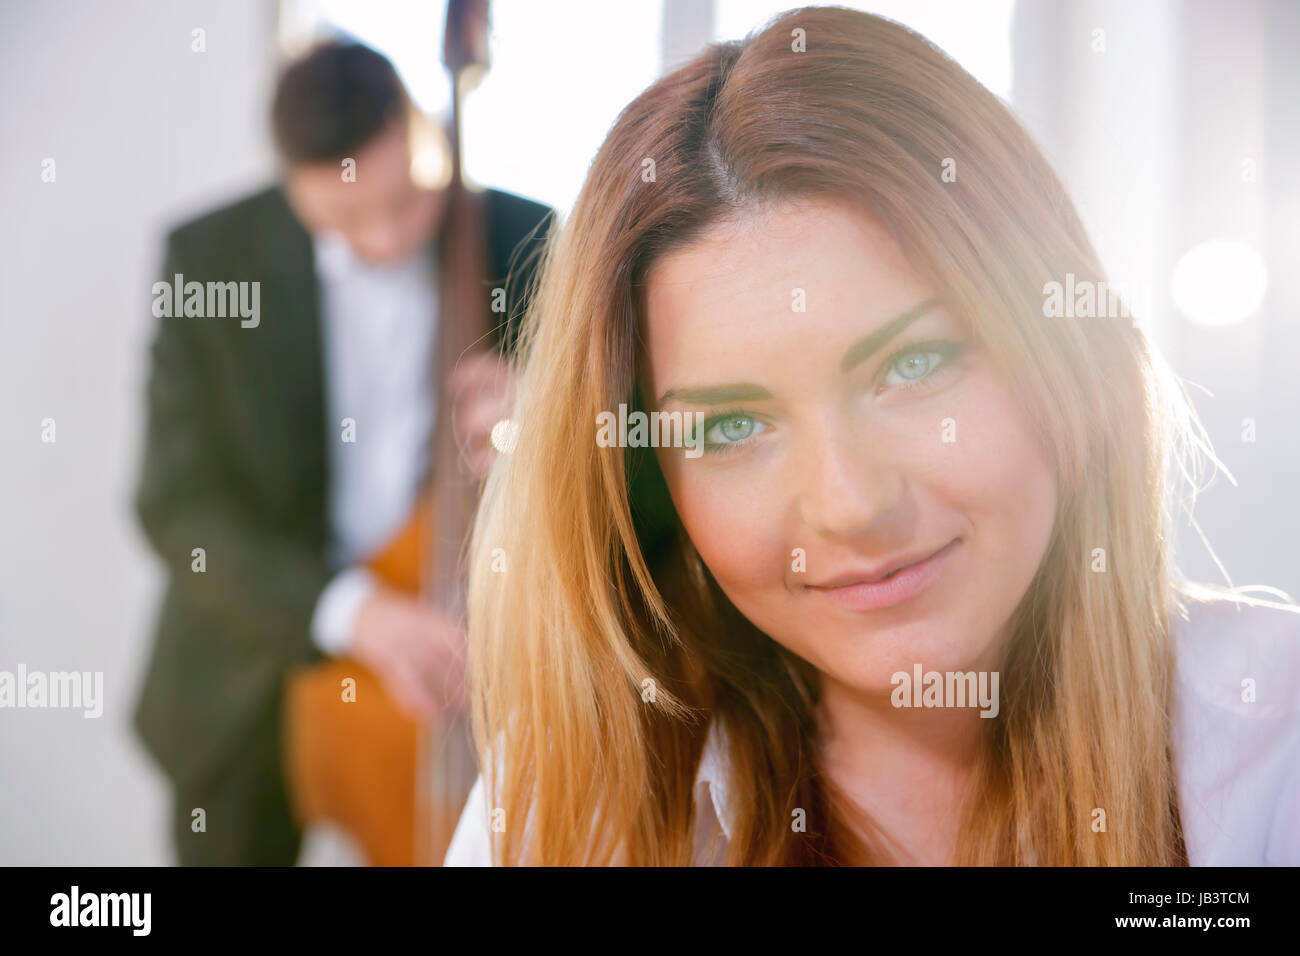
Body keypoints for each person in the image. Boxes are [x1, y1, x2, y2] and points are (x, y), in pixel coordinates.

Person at [443, 6, 1300, 865]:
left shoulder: (1275, 746)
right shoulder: (558, 806)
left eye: (917, 366)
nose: (850, 505)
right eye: (733, 427)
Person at [133, 39, 553, 865]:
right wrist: (353, 613)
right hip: (251, 666)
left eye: (407, 205)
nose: (389, 240)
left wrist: (537, 423)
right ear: (292, 182)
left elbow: (615, 469)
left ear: (427, 136)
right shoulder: (210, 258)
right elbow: (174, 504)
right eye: (350, 220)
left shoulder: (531, 238)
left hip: (459, 664)